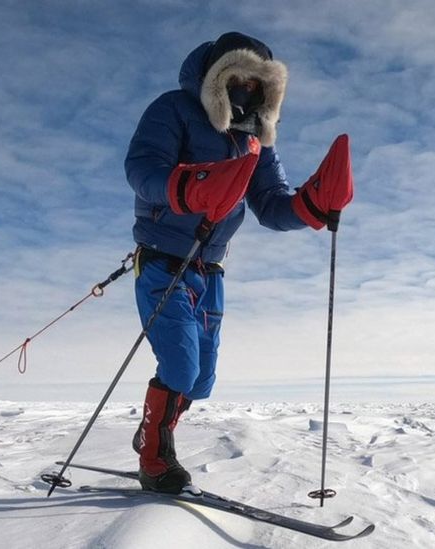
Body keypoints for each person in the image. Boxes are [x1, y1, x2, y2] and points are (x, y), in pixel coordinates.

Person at [125, 31, 354, 493]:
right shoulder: (173, 109)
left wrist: (312, 205)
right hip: (163, 260)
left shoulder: (256, 141)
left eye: (258, 82)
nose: (247, 87)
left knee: (202, 380)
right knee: (181, 365)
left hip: (211, 268)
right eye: (238, 76)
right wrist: (191, 187)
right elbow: (142, 168)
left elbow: (270, 202)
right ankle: (154, 455)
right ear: (217, 76)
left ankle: (156, 426)